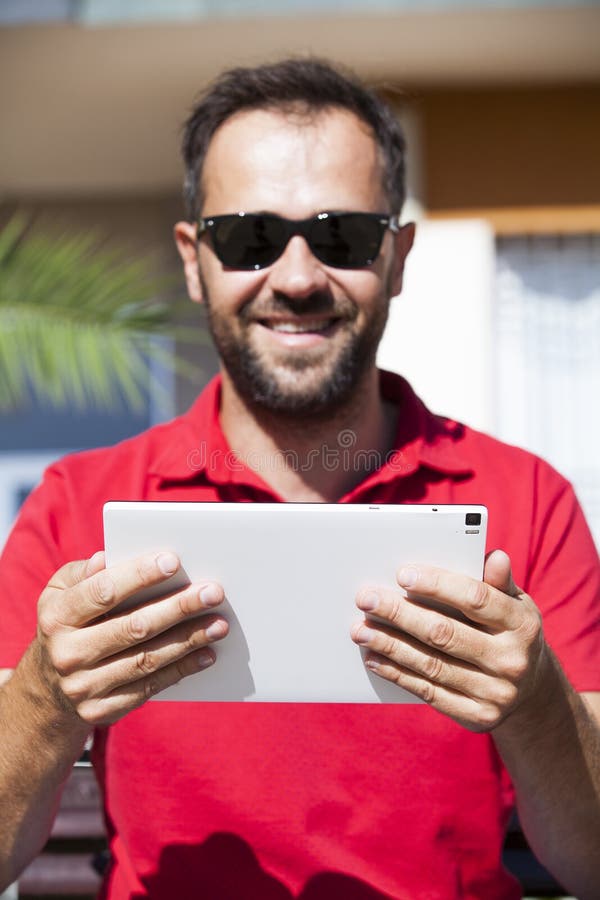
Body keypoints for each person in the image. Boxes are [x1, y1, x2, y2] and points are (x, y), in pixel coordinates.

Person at [0, 58, 599, 900]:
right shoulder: (78, 503)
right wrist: (42, 699)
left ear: (396, 257)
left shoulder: (526, 499)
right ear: (193, 258)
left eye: (342, 237)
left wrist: (537, 704)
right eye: (249, 238)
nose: (296, 277)